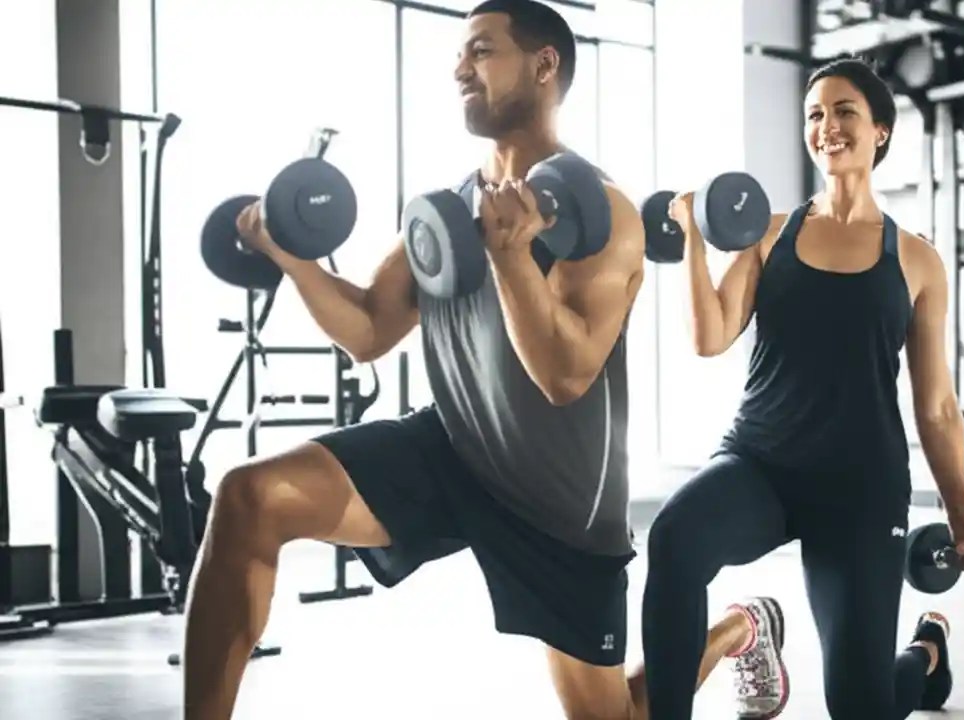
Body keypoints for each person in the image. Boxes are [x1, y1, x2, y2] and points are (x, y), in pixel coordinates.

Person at [182, 2, 756, 718]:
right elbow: (365, 329)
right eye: (459, 54)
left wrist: (512, 255)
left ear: (544, 66)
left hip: (560, 502)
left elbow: (565, 374)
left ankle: (735, 630)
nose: (459, 68)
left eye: (481, 51)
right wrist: (290, 257)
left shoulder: (603, 215)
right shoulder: (448, 209)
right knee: (248, 496)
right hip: (451, 449)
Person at [641, 57, 964, 719]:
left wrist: (963, 519)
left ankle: (926, 653)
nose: (827, 126)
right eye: (815, 115)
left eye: (844, 111)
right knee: (675, 538)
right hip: (761, 465)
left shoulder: (917, 259)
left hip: (860, 488)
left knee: (861, 707)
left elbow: (936, 405)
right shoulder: (771, 233)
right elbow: (709, 337)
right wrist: (690, 245)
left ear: (880, 130)